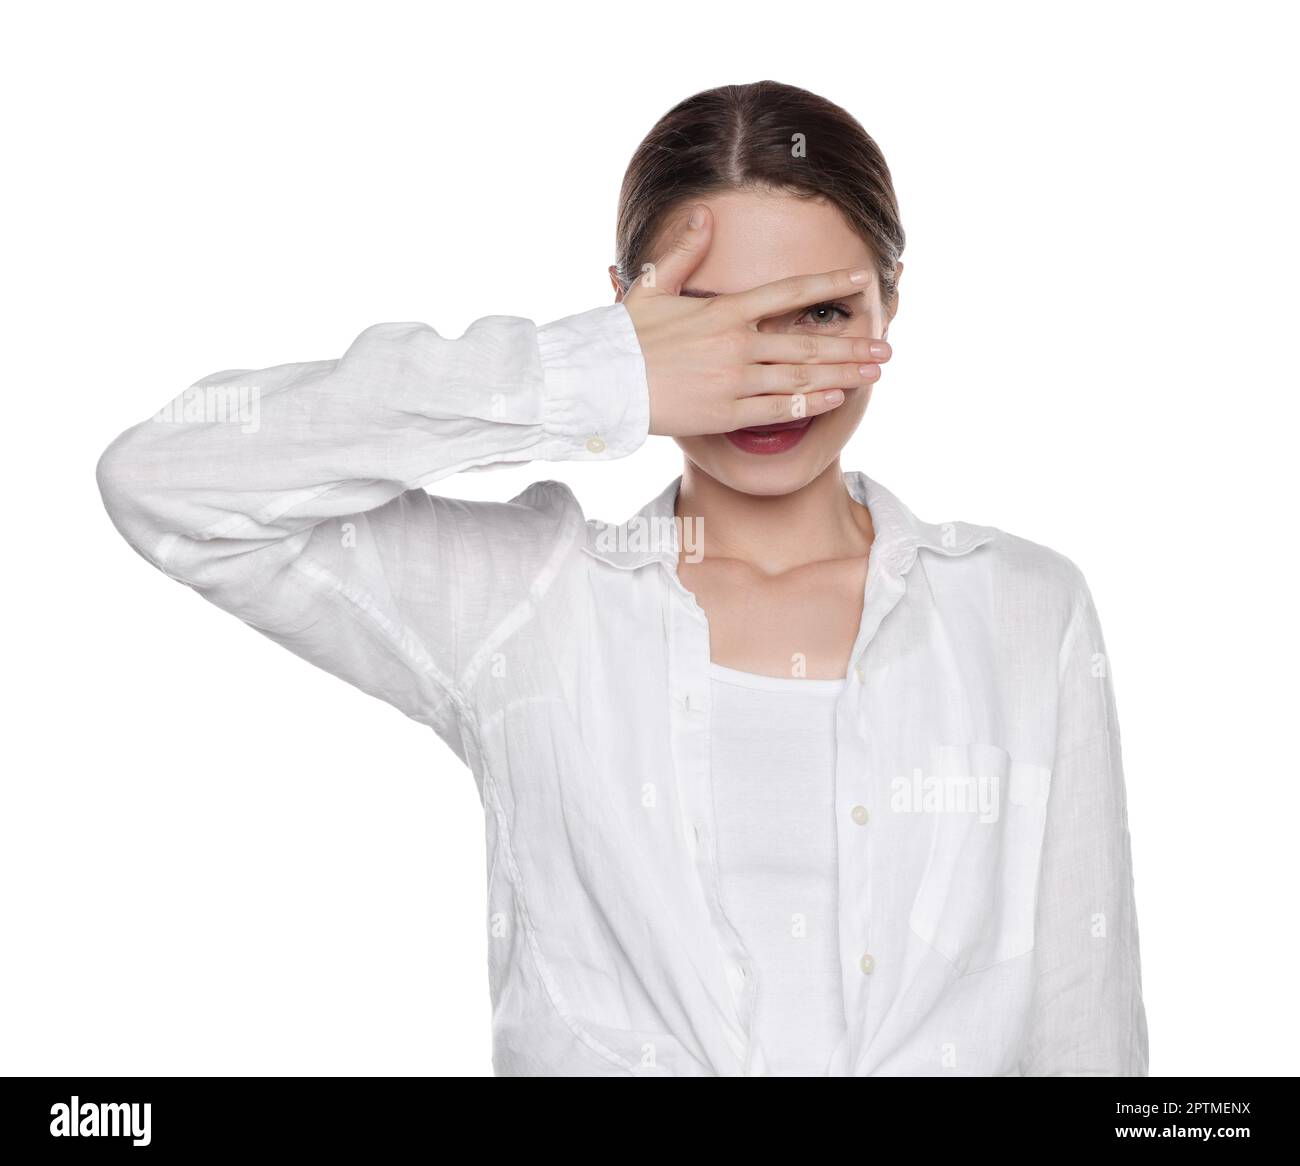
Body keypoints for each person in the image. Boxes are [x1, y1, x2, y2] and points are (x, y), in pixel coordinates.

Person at [96, 80, 1148, 1076]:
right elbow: (168, 477)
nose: (766, 372)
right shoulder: (532, 604)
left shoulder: (1022, 606)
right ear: (628, 312)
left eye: (820, 312)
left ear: (889, 303)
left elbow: (1082, 1021)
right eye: (710, 315)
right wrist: (592, 372)